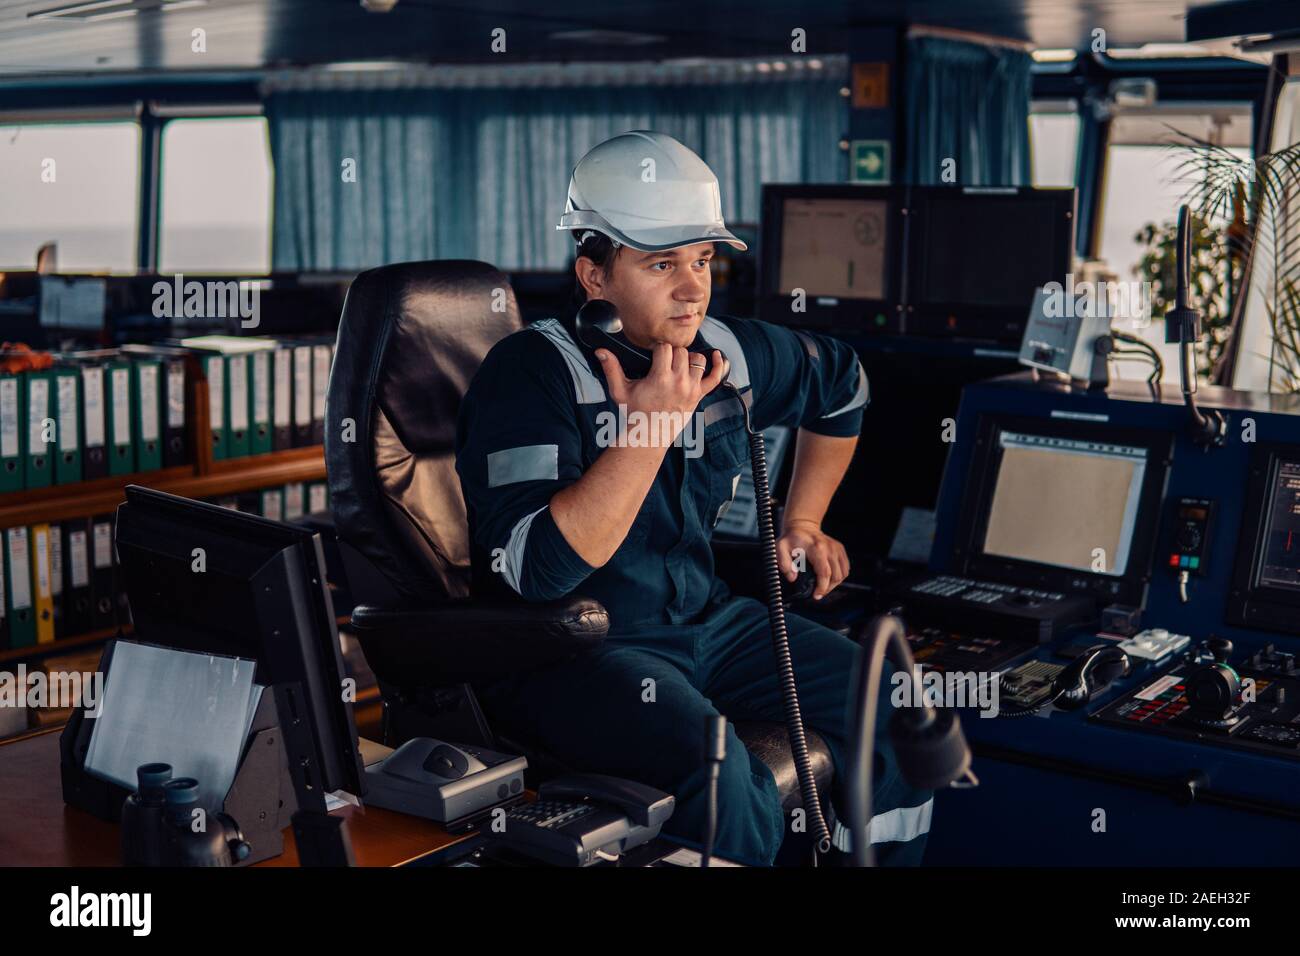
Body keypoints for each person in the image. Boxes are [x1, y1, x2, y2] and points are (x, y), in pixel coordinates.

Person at [455, 130, 931, 865]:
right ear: (594, 275)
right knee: (719, 773)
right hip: (580, 648)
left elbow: (844, 383)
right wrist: (648, 429)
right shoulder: (528, 375)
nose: (693, 287)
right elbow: (535, 573)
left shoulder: (726, 352)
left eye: (703, 260)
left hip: (707, 624)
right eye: (661, 263)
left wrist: (804, 519)